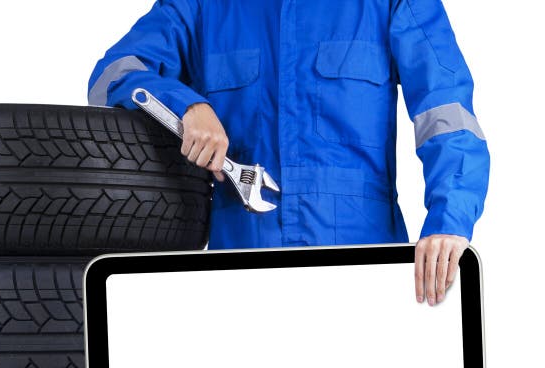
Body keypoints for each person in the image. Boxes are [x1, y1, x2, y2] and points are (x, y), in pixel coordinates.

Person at [88, 0, 489, 305]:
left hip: (365, 275)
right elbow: (113, 72)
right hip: (240, 279)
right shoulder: (202, 5)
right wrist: (186, 107)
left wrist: (448, 221)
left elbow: (446, 111)